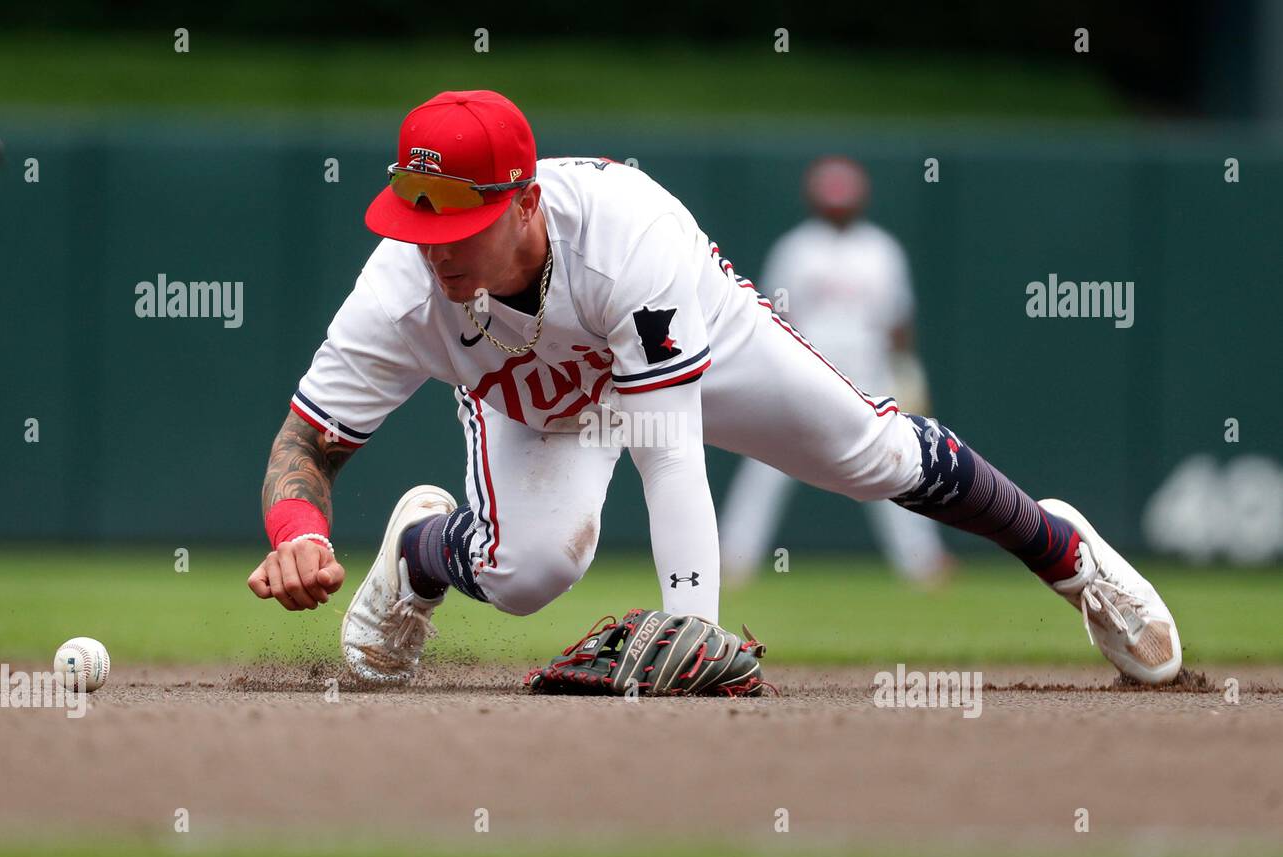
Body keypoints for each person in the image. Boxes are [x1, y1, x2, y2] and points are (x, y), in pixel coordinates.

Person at [247, 90, 1183, 686]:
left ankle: (1064, 552)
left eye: (465, 220)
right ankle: (417, 555)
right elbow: (308, 444)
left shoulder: (625, 233)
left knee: (880, 455)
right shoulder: (400, 289)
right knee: (532, 573)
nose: (436, 245)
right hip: (538, 401)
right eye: (419, 220)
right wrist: (298, 534)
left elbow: (666, 447)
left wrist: (692, 622)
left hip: (696, 337)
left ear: (526, 199)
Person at [718, 156, 952, 587]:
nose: (838, 206)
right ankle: (733, 557)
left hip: (868, 370)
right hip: (808, 368)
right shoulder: (797, 247)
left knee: (894, 462)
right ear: (815, 200)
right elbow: (774, 315)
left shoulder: (881, 248)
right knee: (767, 465)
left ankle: (923, 560)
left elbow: (897, 320)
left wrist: (906, 370)